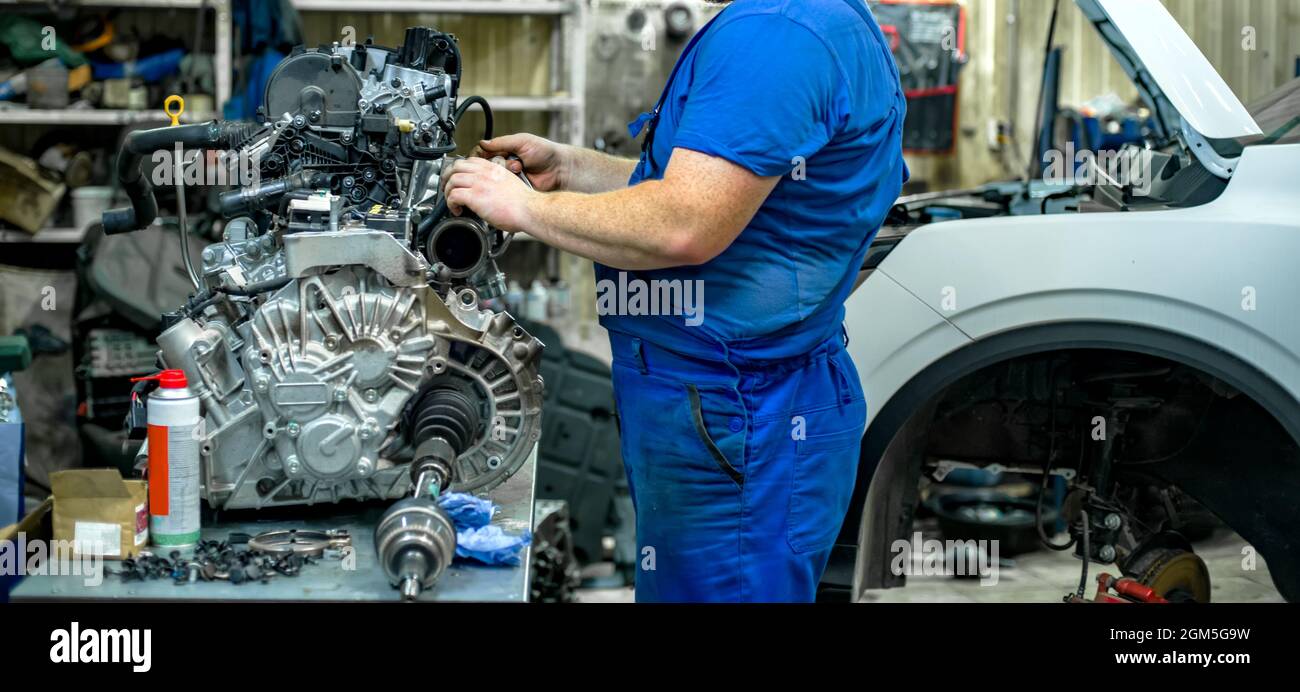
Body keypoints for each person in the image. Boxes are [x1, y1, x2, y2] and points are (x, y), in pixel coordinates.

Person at [441, 0, 907, 602]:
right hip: (731, 404)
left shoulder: (776, 37)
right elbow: (712, 188)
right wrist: (570, 168)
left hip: (737, 417)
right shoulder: (815, 18)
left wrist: (523, 208)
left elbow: (685, 224)